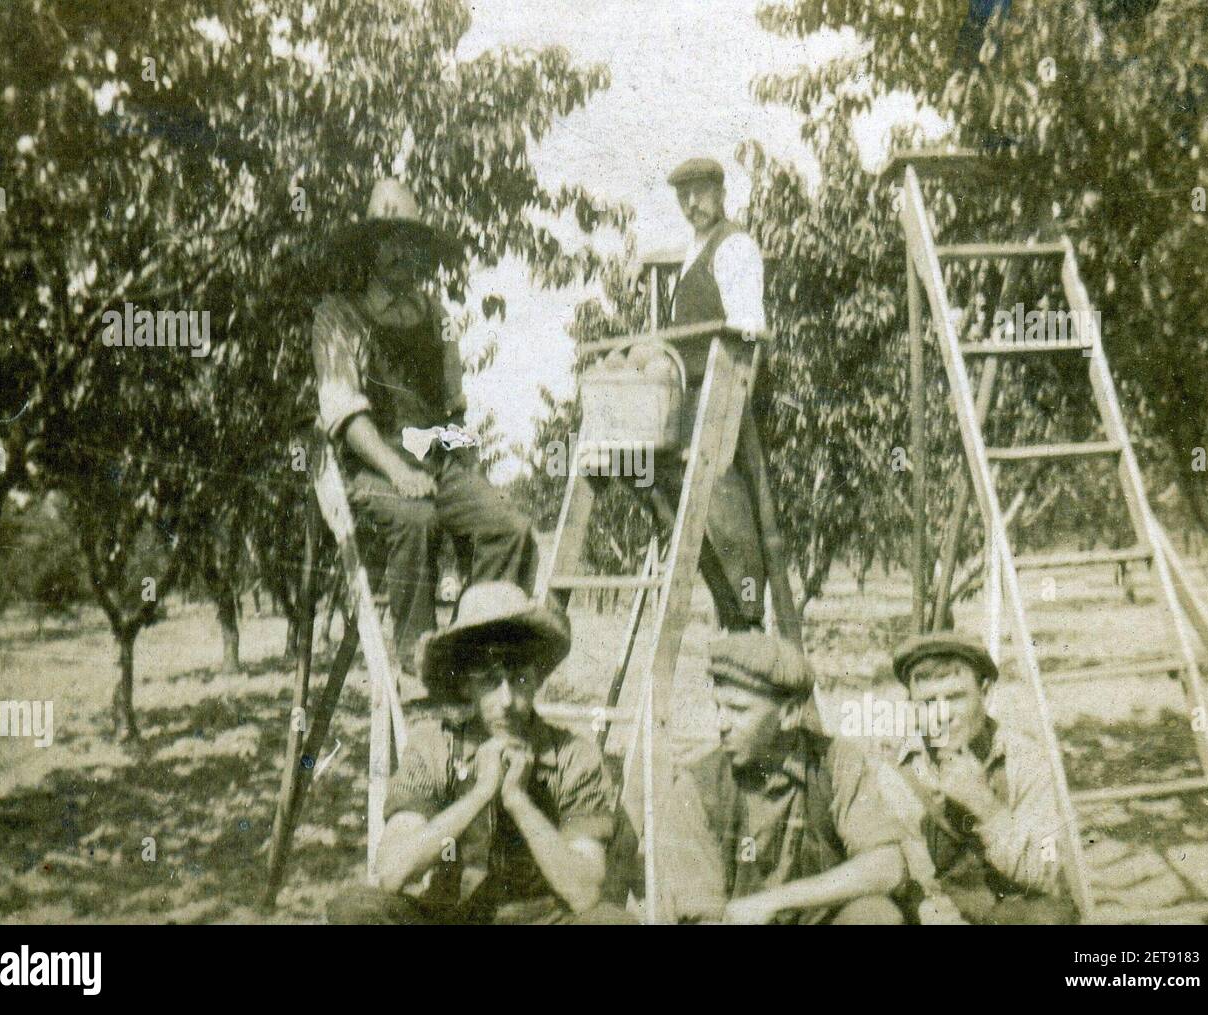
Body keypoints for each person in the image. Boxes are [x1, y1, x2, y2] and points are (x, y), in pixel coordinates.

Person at [311, 179, 536, 674]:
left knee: (510, 530)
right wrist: (397, 471)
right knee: (417, 521)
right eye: (387, 240)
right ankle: (418, 659)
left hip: (435, 464)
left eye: (407, 241)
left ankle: (476, 643)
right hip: (371, 469)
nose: (398, 253)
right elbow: (345, 413)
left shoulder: (438, 318)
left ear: (420, 251)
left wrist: (469, 466)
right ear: (370, 248)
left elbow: (453, 411)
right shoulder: (338, 317)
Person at [326, 581, 635, 924]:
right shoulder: (433, 746)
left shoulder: (574, 756)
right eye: (489, 680)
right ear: (464, 685)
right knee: (355, 908)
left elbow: (585, 892)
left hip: (541, 920)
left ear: (537, 679)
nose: (506, 701)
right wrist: (480, 793)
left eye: (519, 680)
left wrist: (518, 801)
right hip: (450, 917)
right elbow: (390, 873)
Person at [663, 632, 911, 924]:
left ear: (790, 713)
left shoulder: (835, 763)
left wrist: (775, 902)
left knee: (876, 915)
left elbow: (888, 866)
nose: (721, 724)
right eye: (719, 707)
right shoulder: (698, 787)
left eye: (738, 710)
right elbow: (701, 911)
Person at [886, 634, 1079, 924]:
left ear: (985, 693)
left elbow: (1048, 875)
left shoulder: (1023, 759)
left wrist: (986, 807)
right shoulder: (896, 768)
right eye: (928, 702)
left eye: (954, 697)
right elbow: (905, 881)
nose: (942, 716)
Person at [653, 156, 769, 631]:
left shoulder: (734, 246)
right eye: (684, 196)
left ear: (721, 193)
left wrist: (735, 410)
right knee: (675, 498)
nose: (692, 203)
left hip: (721, 395)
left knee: (725, 506)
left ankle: (746, 616)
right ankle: (733, 610)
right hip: (690, 396)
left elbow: (749, 332)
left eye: (700, 193)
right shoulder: (693, 249)